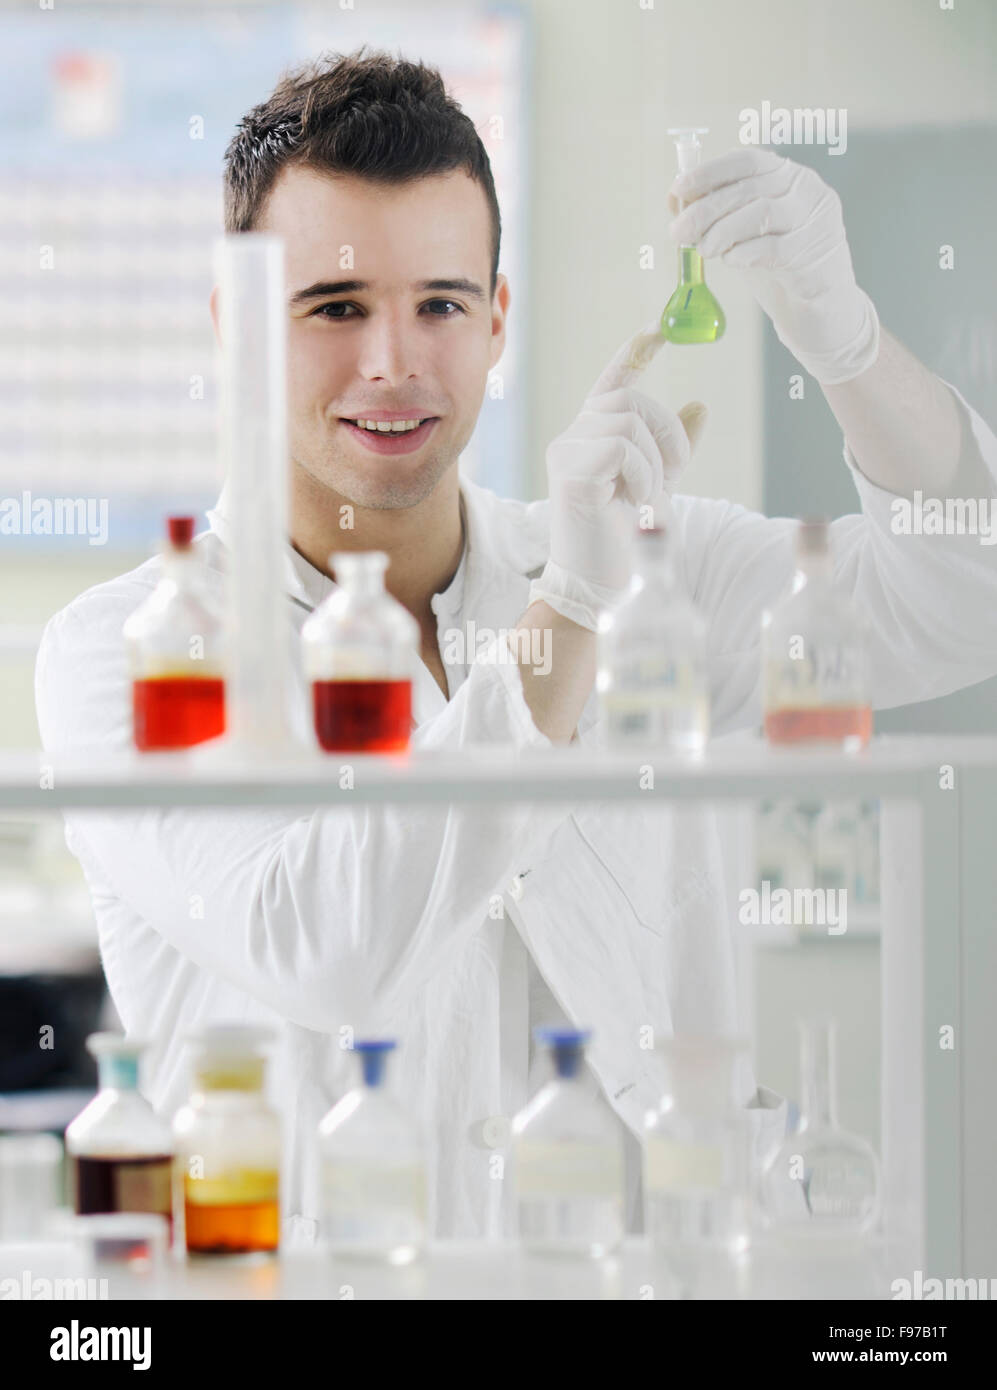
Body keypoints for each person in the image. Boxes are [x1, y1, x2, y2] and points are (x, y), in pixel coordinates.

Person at [35, 48, 997, 1243]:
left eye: (439, 303)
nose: (392, 362)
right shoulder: (127, 653)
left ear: (496, 321)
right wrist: (571, 616)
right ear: (235, 330)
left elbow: (962, 596)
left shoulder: (654, 573)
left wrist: (845, 343)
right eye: (335, 308)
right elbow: (325, 943)